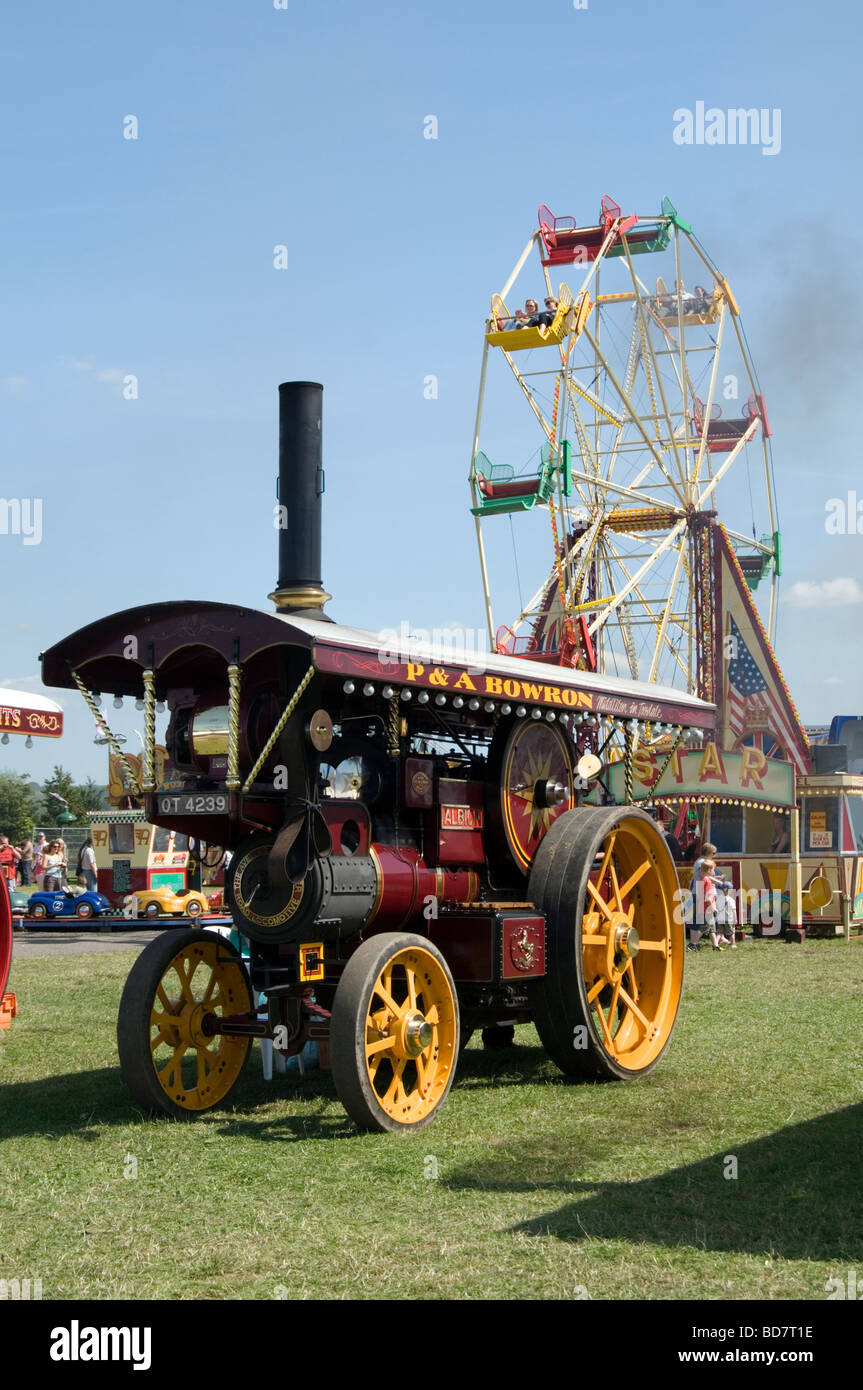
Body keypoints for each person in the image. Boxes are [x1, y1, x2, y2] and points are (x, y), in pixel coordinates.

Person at [687, 840, 718, 951]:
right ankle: (693, 943)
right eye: (713, 853)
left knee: (704, 920)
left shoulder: (701, 862)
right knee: (702, 920)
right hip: (702, 893)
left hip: (702, 892)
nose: (714, 855)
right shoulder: (702, 862)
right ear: (708, 852)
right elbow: (704, 876)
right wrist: (718, 881)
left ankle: (714, 945)